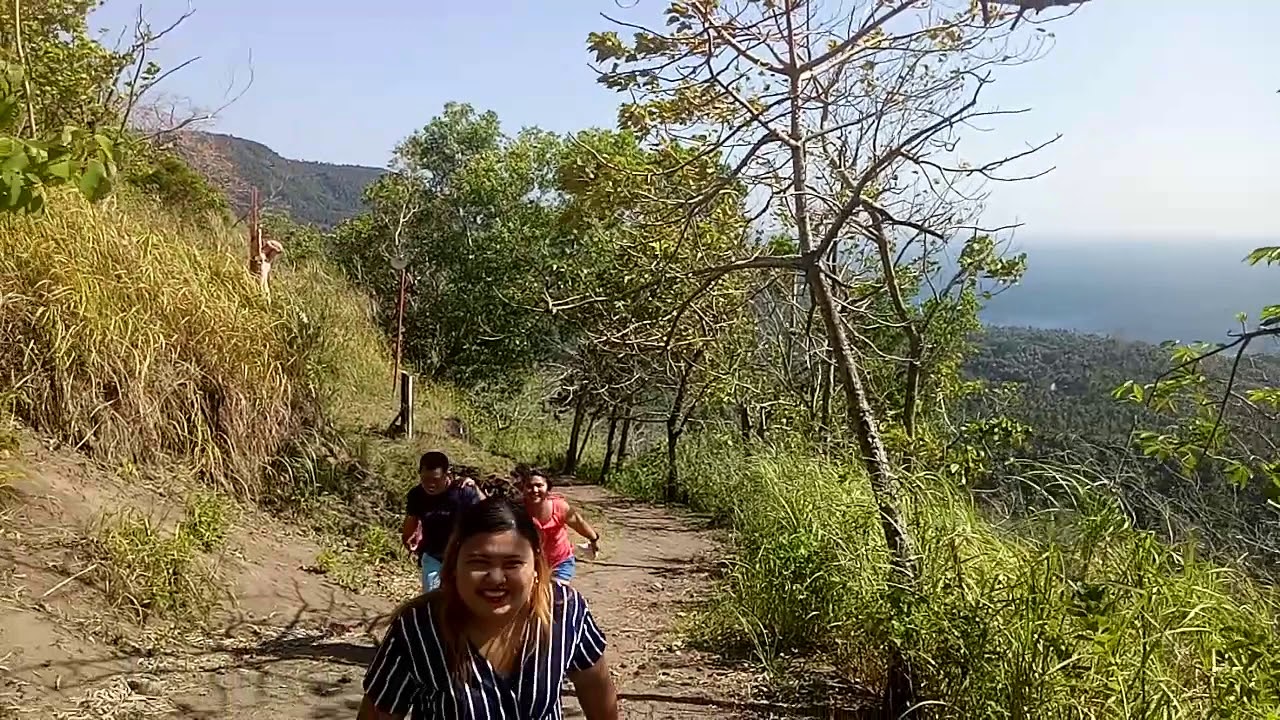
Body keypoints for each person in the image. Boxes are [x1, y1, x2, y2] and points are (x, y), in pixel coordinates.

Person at [358, 497, 620, 720]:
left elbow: (598, 695)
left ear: (537, 568)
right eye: (479, 562)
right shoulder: (418, 627)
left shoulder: (565, 611)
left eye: (512, 564)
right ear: (454, 567)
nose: (496, 578)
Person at [402, 451, 484, 593]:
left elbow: (488, 512)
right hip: (433, 556)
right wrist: (408, 541)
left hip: (463, 557)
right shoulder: (416, 495)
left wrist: (476, 488)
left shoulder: (463, 492)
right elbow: (411, 522)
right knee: (433, 600)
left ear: (447, 474)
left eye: (436, 479)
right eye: (425, 479)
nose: (430, 484)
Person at [515, 464, 600, 583]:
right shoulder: (517, 510)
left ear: (548, 488)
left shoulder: (560, 507)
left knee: (557, 596)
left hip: (560, 562)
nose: (534, 490)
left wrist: (594, 539)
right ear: (523, 488)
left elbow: (579, 524)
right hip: (530, 563)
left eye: (539, 486)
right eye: (529, 486)